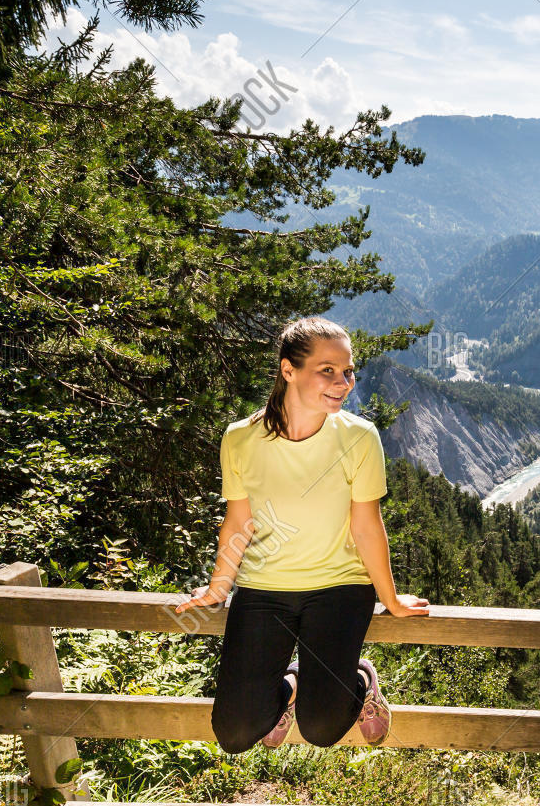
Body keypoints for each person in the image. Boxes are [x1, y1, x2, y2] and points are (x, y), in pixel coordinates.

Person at [174, 315, 430, 754]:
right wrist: (219, 589)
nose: (343, 381)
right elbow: (238, 522)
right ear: (288, 370)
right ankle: (294, 685)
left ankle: (362, 678)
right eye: (327, 370)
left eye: (348, 371)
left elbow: (366, 525)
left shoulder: (359, 438)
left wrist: (390, 599)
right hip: (262, 589)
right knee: (234, 732)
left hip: (339, 587)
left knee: (322, 728)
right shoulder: (240, 438)